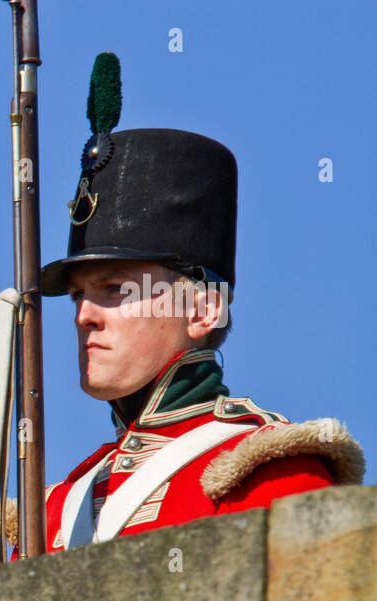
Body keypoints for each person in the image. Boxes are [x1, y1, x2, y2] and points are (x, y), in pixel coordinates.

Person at [31, 55, 364, 552]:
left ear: (204, 310)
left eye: (116, 290)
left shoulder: (268, 473)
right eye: (79, 295)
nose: (84, 316)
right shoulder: (58, 509)